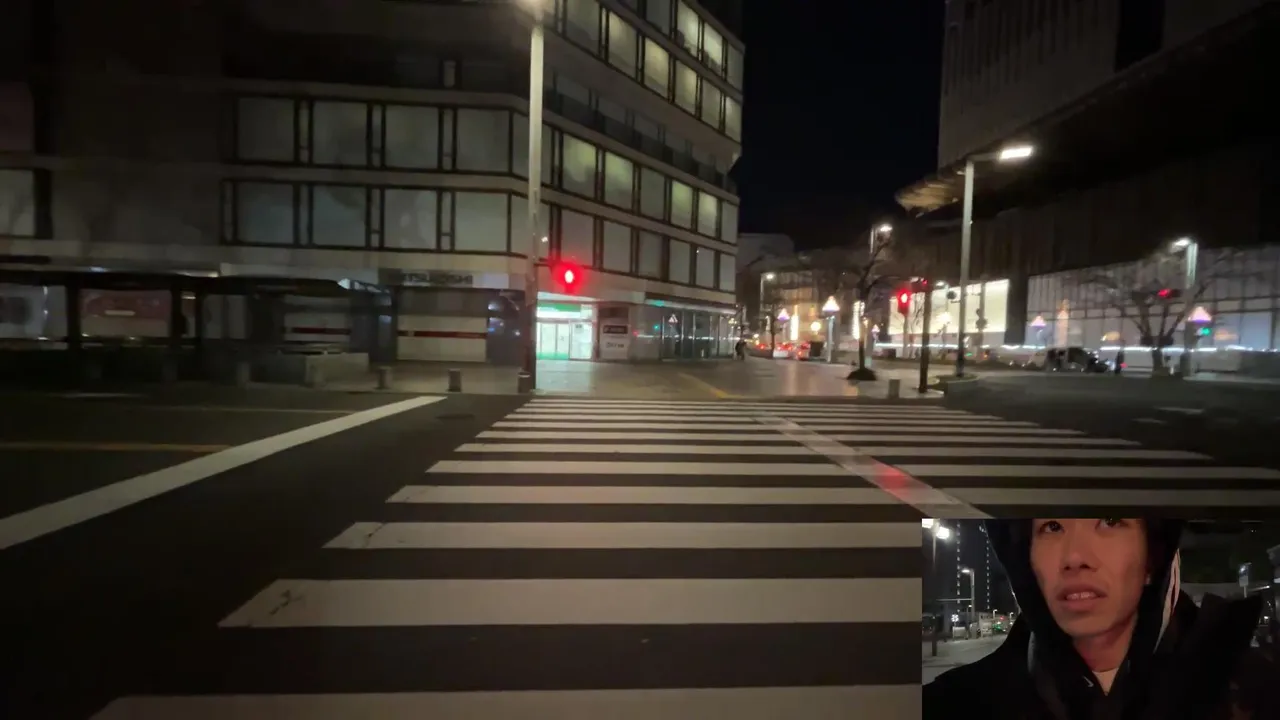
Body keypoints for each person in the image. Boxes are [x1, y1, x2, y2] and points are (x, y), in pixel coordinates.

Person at [925, 519, 1278, 719]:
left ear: (1152, 558)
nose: (1075, 557)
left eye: (1109, 521)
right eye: (1052, 526)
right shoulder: (952, 705)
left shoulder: (1256, 692)